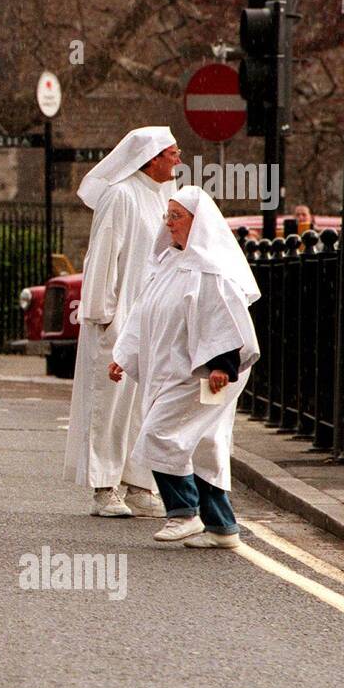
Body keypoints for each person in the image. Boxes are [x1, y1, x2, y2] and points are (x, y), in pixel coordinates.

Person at [109, 185, 260, 548]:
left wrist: (221, 365)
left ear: (198, 222)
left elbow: (224, 320)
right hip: (174, 371)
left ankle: (183, 513)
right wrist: (123, 355)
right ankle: (223, 528)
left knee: (159, 435)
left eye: (176, 216)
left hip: (205, 375)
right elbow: (144, 314)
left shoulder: (209, 268)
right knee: (204, 445)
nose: (169, 223)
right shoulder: (167, 263)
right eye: (168, 216)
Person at [63, 126, 178, 520]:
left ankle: (139, 484)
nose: (179, 160)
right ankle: (104, 487)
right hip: (119, 315)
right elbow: (103, 256)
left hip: (150, 317)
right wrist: (103, 314)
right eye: (172, 153)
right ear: (151, 159)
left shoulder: (162, 196)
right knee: (109, 404)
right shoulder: (120, 194)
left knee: (144, 405)